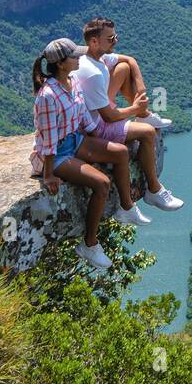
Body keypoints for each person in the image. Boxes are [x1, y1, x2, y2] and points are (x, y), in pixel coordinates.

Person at [30, 37, 146, 271]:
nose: (79, 58)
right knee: (102, 183)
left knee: (121, 152)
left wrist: (102, 139)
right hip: (58, 153)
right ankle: (89, 244)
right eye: (74, 56)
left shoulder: (72, 81)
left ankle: (126, 207)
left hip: (76, 140)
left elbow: (83, 117)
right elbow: (49, 139)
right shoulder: (48, 96)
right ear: (61, 64)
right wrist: (49, 174)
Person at [74, 16, 184, 212]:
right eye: (110, 38)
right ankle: (154, 190)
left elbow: (129, 60)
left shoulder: (96, 57)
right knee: (148, 132)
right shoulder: (92, 73)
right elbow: (108, 116)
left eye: (115, 36)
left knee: (124, 68)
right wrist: (135, 108)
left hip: (99, 111)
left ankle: (144, 114)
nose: (115, 40)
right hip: (96, 127)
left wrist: (140, 87)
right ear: (94, 41)